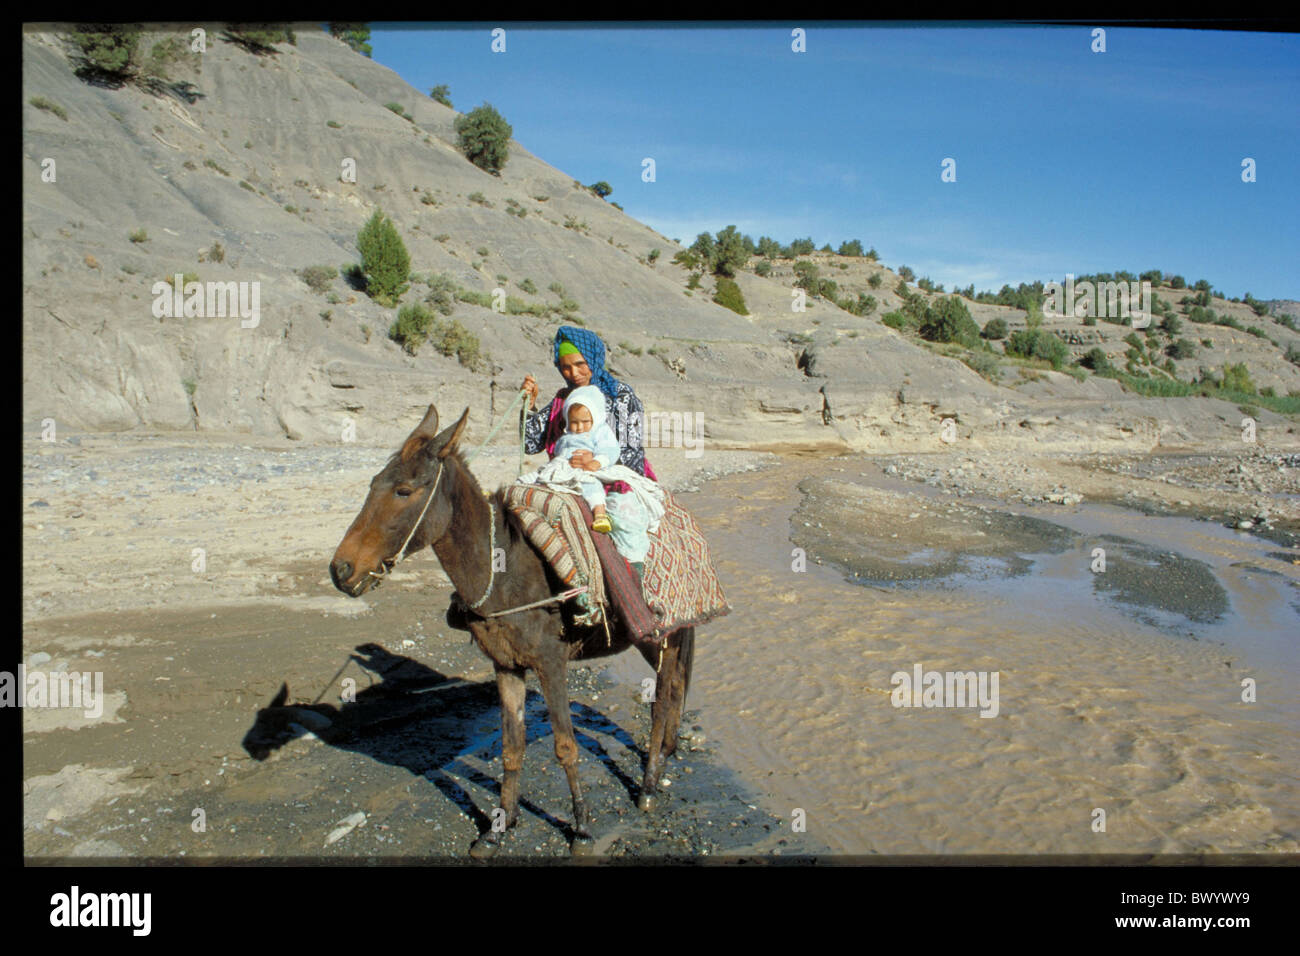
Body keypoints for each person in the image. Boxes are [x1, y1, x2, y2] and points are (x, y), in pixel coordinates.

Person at [520, 326, 657, 484]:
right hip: (566, 474)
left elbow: (632, 451)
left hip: (613, 477)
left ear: (593, 359)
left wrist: (595, 460)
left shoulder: (620, 395)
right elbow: (530, 445)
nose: (574, 373)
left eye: (580, 364)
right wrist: (529, 406)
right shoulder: (564, 400)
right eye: (566, 367)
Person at [547, 385, 621, 533]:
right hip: (565, 468)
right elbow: (557, 451)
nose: (579, 427)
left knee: (590, 485)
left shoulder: (600, 432)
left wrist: (597, 461)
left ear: (595, 417)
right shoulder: (567, 436)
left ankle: (600, 514)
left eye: (585, 422)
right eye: (574, 422)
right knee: (542, 477)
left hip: (586, 469)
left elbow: (610, 449)